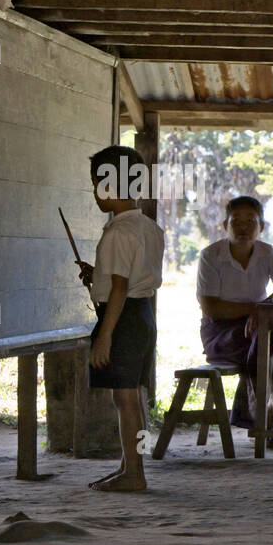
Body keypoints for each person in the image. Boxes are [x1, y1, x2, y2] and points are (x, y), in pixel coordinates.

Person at [79, 145, 165, 492]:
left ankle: (135, 474)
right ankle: (132, 465)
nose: (95, 191)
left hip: (123, 320)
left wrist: (105, 335)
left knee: (125, 400)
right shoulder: (147, 227)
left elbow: (118, 288)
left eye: (96, 183)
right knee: (135, 399)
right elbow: (127, 278)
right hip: (142, 315)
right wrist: (95, 274)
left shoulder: (116, 232)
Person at [195, 196, 273, 446]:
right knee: (267, 330)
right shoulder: (211, 256)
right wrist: (257, 309)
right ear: (225, 225)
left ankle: (270, 407)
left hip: (258, 330)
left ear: (262, 227)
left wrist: (264, 308)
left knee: (270, 328)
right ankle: (267, 411)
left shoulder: (266, 253)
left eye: (251, 221)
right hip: (220, 336)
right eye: (236, 220)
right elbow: (211, 307)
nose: (243, 227)